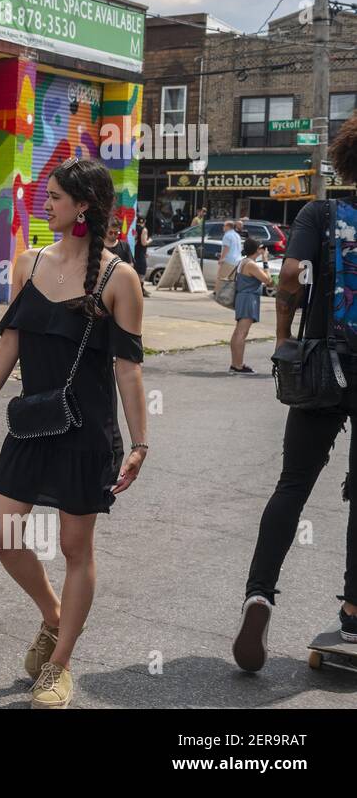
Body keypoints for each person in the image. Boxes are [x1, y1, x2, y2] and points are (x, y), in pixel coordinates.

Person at [0, 157, 148, 708]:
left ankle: (59, 665)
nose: (43, 205)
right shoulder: (29, 262)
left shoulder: (121, 279)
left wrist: (139, 443)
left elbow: (128, 369)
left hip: (86, 429)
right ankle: (53, 617)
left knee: (75, 546)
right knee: (2, 533)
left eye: (54, 198)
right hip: (32, 422)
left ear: (83, 207)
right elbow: (12, 343)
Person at [233, 112, 357, 671]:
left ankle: (259, 594)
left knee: (292, 485)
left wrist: (285, 340)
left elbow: (288, 279)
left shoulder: (320, 212)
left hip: (321, 362)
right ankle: (353, 616)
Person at [228, 237, 270, 375]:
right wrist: (265, 261)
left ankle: (235, 364)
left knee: (238, 332)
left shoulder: (243, 262)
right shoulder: (251, 264)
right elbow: (267, 280)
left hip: (242, 297)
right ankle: (238, 366)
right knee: (242, 333)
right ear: (257, 249)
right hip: (248, 298)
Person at [216, 219, 243, 295]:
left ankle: (218, 294)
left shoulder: (227, 235)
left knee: (221, 279)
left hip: (228, 260)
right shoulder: (237, 235)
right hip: (237, 261)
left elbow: (226, 248)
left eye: (224, 226)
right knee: (231, 281)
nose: (223, 227)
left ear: (228, 226)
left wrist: (221, 259)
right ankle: (228, 296)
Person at [134, 216, 151, 297]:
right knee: (142, 271)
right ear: (144, 221)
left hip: (135, 252)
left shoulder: (134, 228)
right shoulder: (144, 229)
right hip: (140, 254)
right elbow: (144, 243)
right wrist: (150, 240)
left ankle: (137, 289)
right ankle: (141, 289)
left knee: (136, 271)